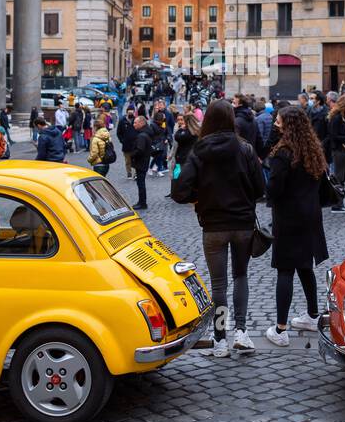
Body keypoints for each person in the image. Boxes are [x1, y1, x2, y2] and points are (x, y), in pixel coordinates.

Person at [170, 99, 264, 356]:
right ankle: (242, 332)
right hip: (243, 223)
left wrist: (198, 196)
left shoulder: (199, 150)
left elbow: (179, 192)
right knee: (241, 276)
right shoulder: (245, 149)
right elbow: (260, 188)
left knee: (219, 283)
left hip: (213, 225)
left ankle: (220, 339)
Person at [263, 107, 328, 347]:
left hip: (289, 217)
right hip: (310, 214)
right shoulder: (312, 148)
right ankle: (312, 315)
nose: (275, 123)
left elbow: (274, 189)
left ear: (286, 125)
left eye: (278, 121)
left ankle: (280, 329)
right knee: (305, 266)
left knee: (285, 269)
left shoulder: (283, 153)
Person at [128, 115, 153, 210]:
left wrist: (131, 155)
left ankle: (142, 203)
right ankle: (142, 202)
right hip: (143, 162)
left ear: (141, 123)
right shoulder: (145, 133)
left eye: (135, 122)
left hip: (141, 163)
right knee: (140, 183)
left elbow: (140, 150)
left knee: (141, 183)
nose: (134, 124)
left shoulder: (142, 135)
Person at [116, 107, 137, 180]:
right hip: (126, 145)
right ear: (127, 112)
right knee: (128, 160)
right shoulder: (122, 121)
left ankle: (135, 173)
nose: (131, 113)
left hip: (135, 145)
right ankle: (129, 173)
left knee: (135, 160)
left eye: (132, 112)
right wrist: (122, 140)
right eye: (129, 112)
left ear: (134, 112)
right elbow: (118, 133)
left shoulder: (136, 120)